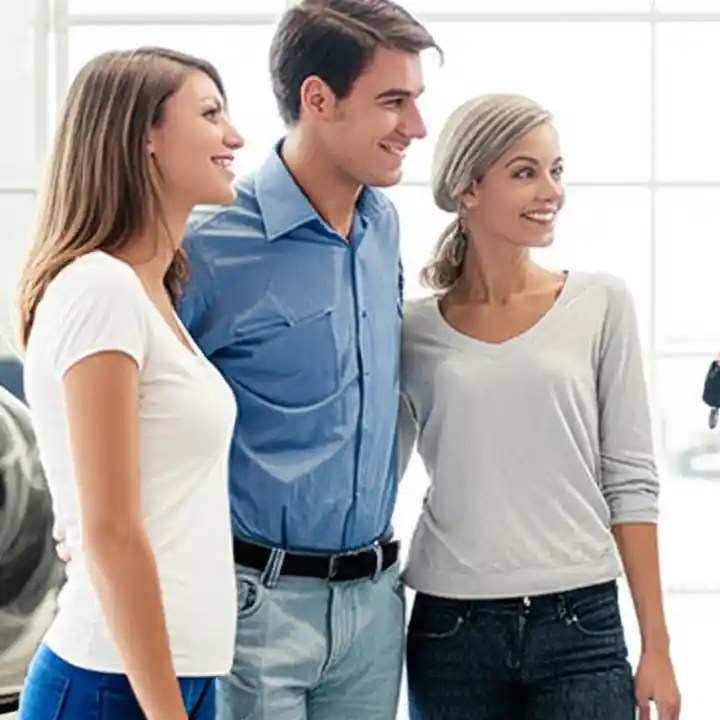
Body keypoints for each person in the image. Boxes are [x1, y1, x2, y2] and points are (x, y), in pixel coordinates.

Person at [176, 1, 436, 718]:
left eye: (416, 101)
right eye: (393, 101)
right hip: (255, 609)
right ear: (318, 99)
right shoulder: (209, 245)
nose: (416, 127)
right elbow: (134, 407)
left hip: (376, 606)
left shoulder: (383, 223)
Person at [397, 93, 682, 720]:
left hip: (580, 625)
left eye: (556, 170)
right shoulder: (412, 329)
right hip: (451, 630)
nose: (549, 190)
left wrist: (656, 644)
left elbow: (631, 481)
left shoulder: (600, 303)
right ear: (468, 188)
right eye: (525, 172)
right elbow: (373, 472)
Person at [14, 47, 243, 720]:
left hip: (171, 675)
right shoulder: (100, 288)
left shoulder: (152, 292)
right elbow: (112, 531)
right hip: (115, 684)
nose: (235, 137)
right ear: (143, 134)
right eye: (210, 114)